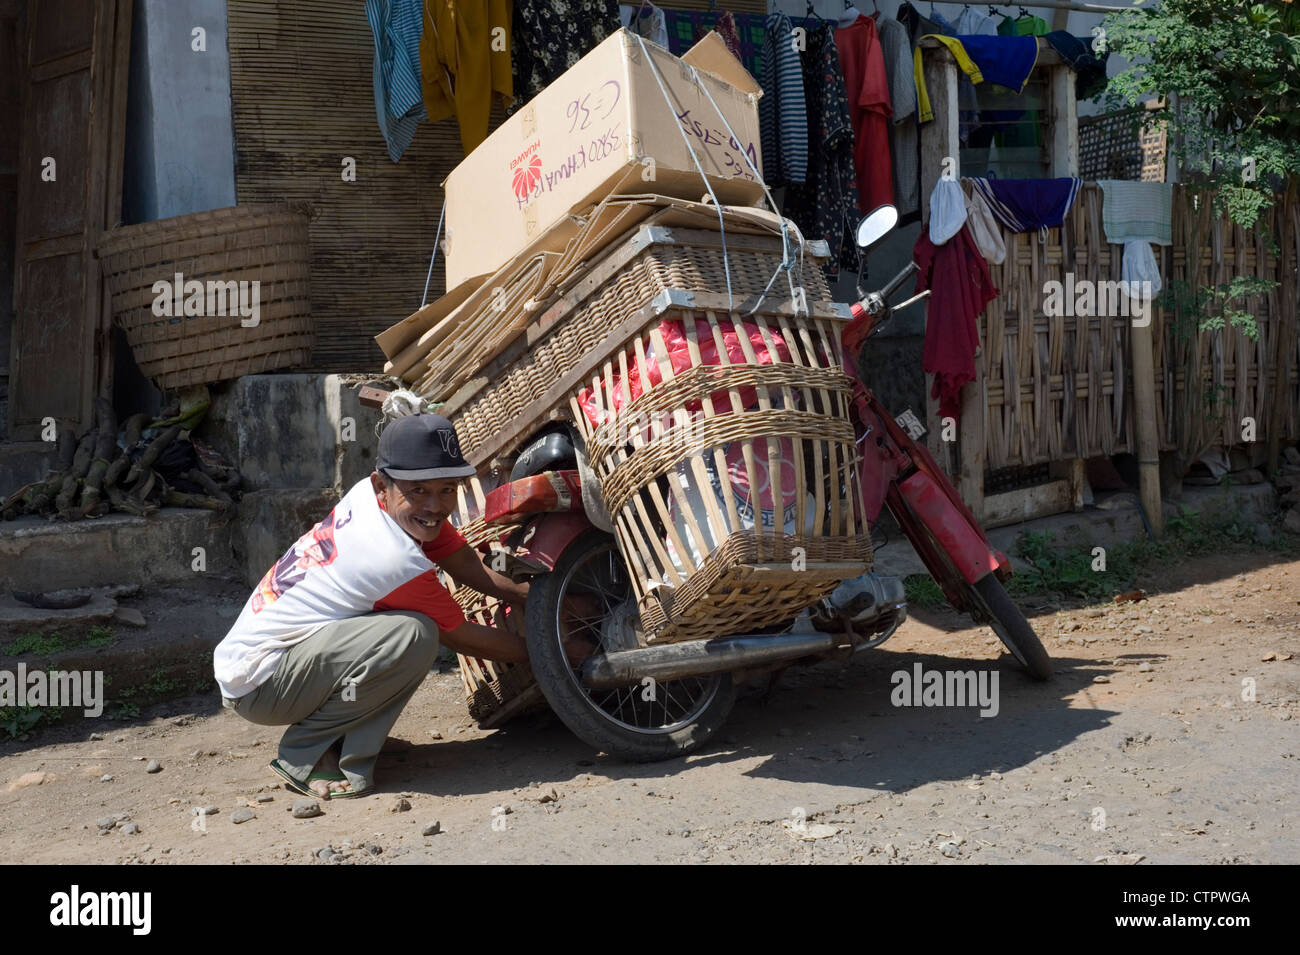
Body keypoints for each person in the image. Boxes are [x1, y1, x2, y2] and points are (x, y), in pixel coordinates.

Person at [213, 412, 532, 799]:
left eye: (447, 489)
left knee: (398, 630)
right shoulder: (390, 558)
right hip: (262, 684)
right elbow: (462, 637)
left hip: (281, 660)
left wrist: (529, 593)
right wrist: (553, 653)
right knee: (412, 635)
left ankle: (350, 736)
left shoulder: (374, 498)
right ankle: (307, 754)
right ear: (384, 484)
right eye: (419, 491)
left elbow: (462, 559)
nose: (435, 506)